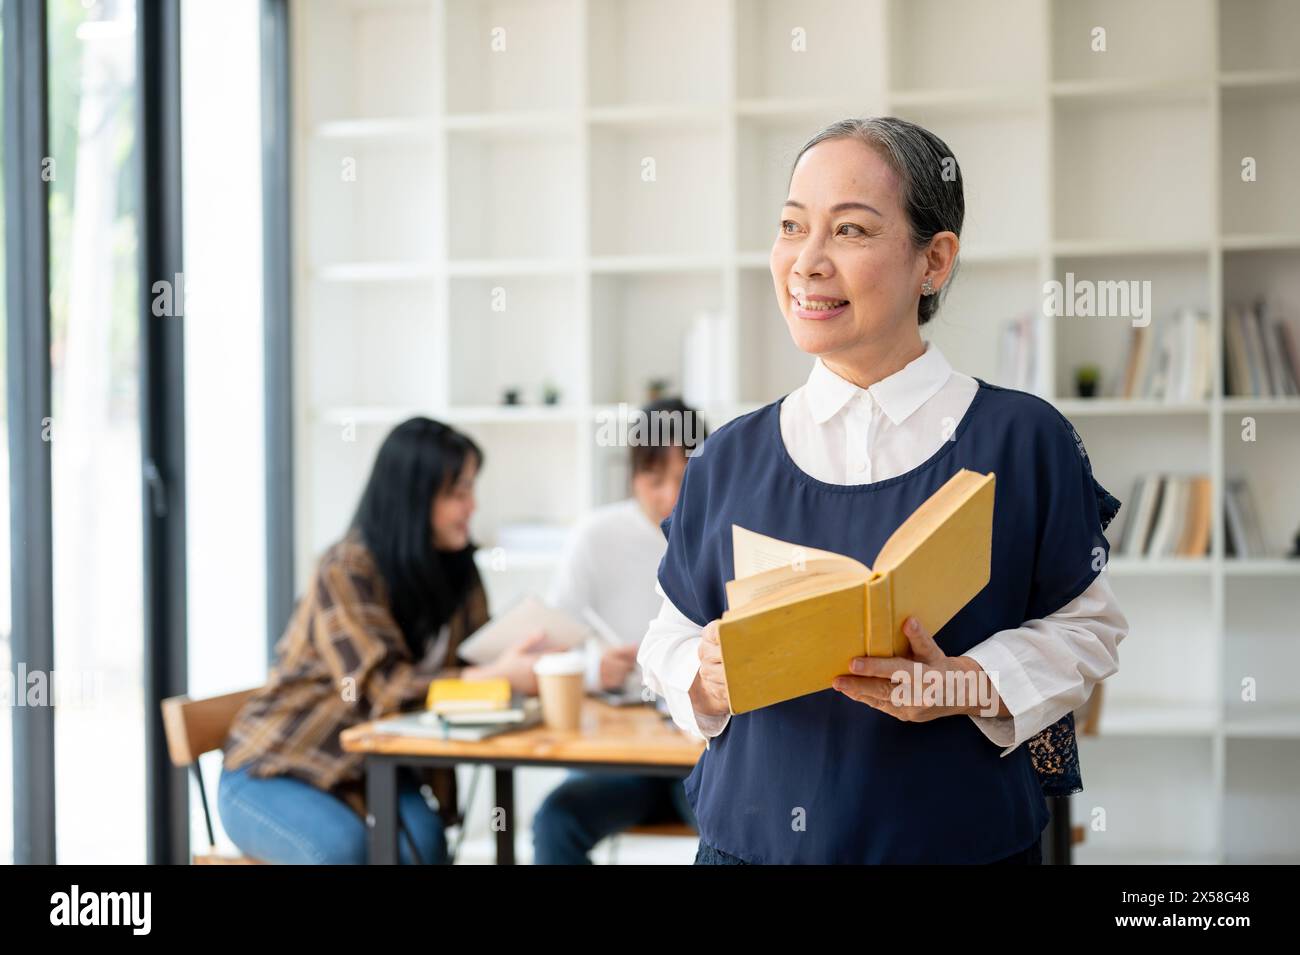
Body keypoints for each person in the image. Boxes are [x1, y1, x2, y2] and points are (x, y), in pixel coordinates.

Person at [638, 117, 1129, 864]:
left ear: (933, 259)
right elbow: (667, 638)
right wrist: (702, 677)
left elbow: (1089, 631)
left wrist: (964, 682)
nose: (806, 262)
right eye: (791, 226)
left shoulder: (1024, 440)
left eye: (851, 231)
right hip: (753, 849)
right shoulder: (726, 457)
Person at [219, 417, 547, 864]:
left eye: (471, 489)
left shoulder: (459, 570)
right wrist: (495, 676)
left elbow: (477, 657)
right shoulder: (345, 570)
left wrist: (527, 661)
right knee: (343, 852)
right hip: (280, 767)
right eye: (457, 493)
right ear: (412, 498)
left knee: (426, 849)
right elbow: (383, 690)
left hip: (373, 773)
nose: (472, 506)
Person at [531, 398, 707, 864]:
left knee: (735, 830)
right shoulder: (595, 536)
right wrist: (594, 668)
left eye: (685, 475)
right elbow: (552, 641)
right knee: (555, 822)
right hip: (621, 756)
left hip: (703, 753)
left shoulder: (727, 533)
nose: (672, 495)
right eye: (655, 480)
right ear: (632, 478)